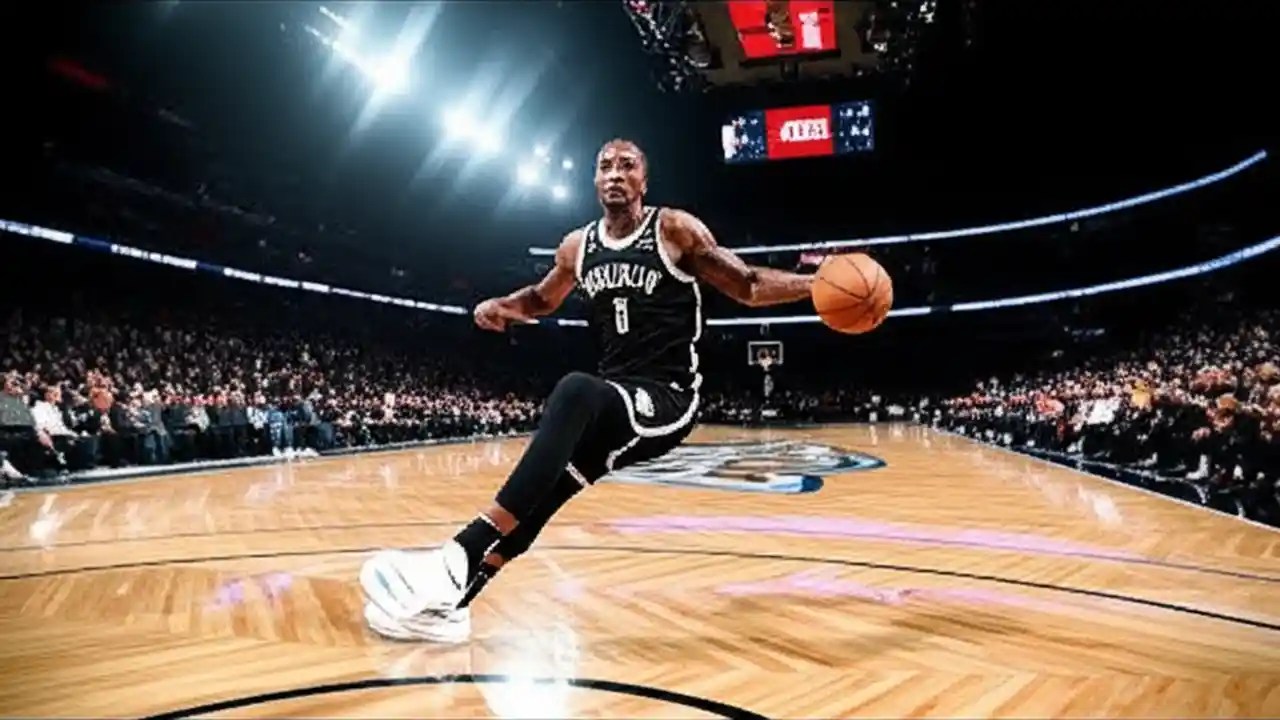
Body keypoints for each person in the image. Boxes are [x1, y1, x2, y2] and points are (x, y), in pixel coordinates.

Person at [360, 139, 816, 642]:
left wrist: (815, 285)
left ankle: (457, 555)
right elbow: (542, 298)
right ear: (594, 181)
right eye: (605, 166)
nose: (615, 174)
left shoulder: (674, 229)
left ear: (645, 182)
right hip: (615, 401)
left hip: (666, 398)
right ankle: (452, 605)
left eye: (628, 166)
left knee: (576, 390)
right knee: (544, 498)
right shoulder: (578, 246)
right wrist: (503, 305)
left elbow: (748, 285)